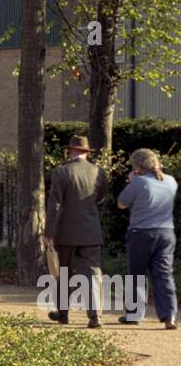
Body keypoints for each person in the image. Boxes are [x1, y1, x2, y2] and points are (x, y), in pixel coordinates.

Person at [44, 134, 108, 328]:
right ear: (87, 152)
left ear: (70, 151)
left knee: (64, 273)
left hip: (65, 231)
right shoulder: (99, 172)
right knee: (92, 273)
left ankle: (63, 313)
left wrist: (49, 232)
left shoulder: (61, 172)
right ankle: (95, 316)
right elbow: (101, 198)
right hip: (90, 230)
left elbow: (54, 204)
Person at [116, 149, 178, 328]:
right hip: (166, 232)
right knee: (164, 274)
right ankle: (169, 315)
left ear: (137, 165)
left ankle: (134, 314)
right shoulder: (171, 181)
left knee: (137, 274)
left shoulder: (139, 182)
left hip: (141, 232)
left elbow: (121, 203)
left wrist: (131, 180)